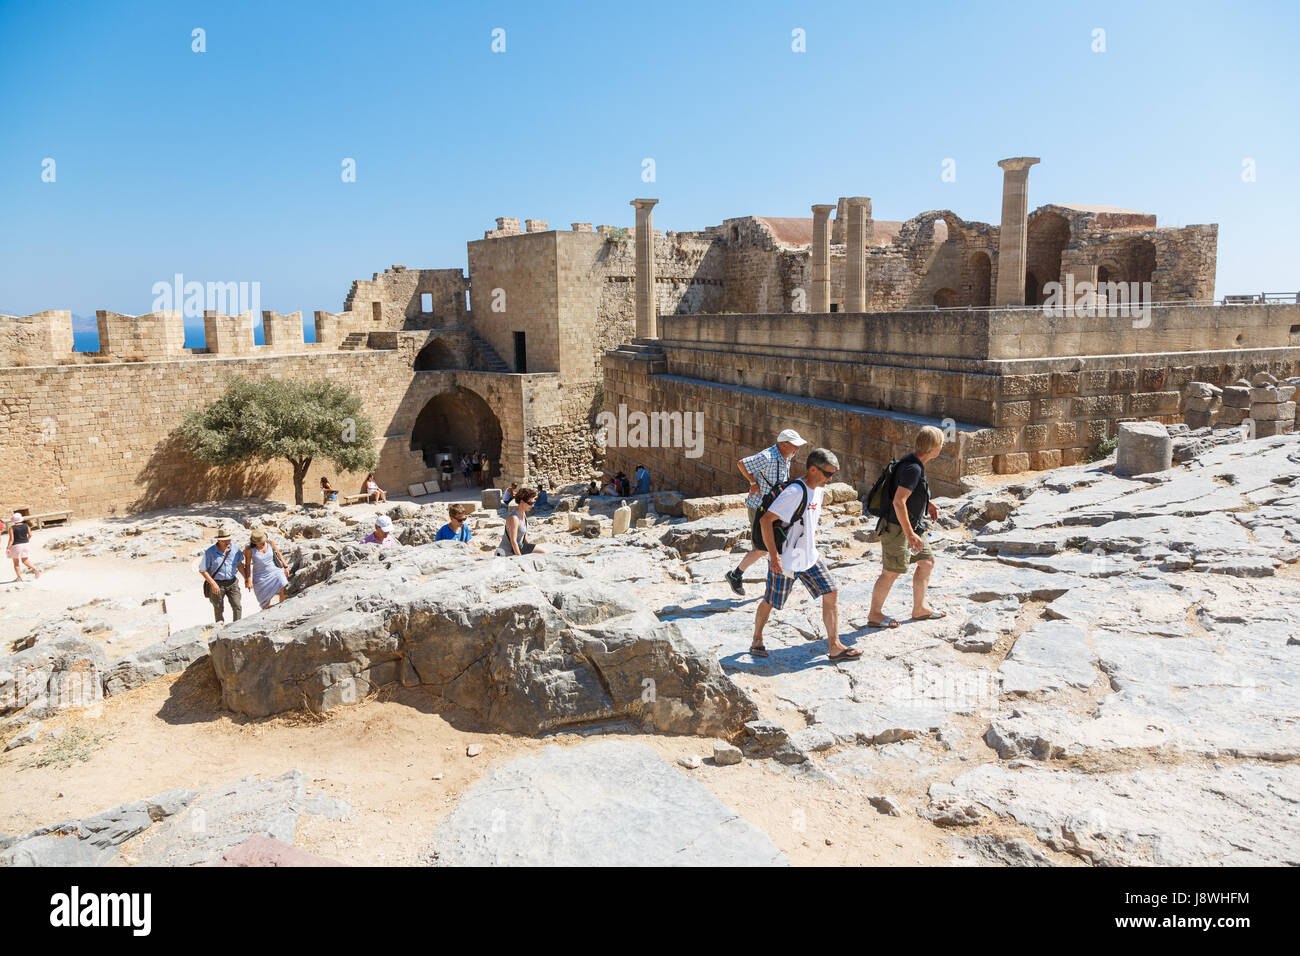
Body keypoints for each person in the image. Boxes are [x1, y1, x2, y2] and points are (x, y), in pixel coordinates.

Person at [751, 448, 861, 662]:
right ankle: (756, 639)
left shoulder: (818, 489)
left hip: (809, 556)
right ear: (812, 469)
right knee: (771, 600)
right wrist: (774, 557)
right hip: (787, 561)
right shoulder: (794, 492)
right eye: (827, 474)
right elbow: (765, 520)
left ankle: (835, 646)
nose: (830, 479)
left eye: (833, 475)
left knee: (831, 592)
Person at [869, 425, 946, 628]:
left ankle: (919, 608)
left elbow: (909, 492)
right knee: (890, 572)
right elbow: (898, 501)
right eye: (941, 444)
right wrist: (910, 534)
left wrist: (927, 503)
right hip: (897, 529)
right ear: (933, 447)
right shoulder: (913, 468)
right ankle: (875, 614)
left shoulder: (913, 462)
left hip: (909, 527)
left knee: (927, 562)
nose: (942, 447)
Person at [725, 428, 807, 596]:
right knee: (763, 548)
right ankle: (735, 575)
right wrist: (752, 483)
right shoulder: (766, 457)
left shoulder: (787, 457)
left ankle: (782, 578)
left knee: (781, 542)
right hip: (759, 507)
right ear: (784, 444)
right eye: (794, 445)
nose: (797, 449)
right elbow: (742, 463)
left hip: (777, 507)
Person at [200, 525, 244, 623]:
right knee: (218, 609)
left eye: (229, 540)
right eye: (226, 541)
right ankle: (220, 629)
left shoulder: (235, 549)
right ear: (219, 541)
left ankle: (237, 627)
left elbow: (240, 565)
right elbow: (203, 570)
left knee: (237, 606)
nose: (229, 542)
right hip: (217, 584)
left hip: (232, 582)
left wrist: (247, 579)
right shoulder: (210, 552)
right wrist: (213, 584)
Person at [243, 527, 289, 610]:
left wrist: (285, 567)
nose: (263, 542)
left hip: (275, 572)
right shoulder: (249, 550)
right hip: (260, 577)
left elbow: (278, 554)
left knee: (284, 586)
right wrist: (248, 580)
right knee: (265, 603)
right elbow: (247, 565)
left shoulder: (270, 543)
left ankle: (282, 609)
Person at [496, 487, 548, 556]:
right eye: (530, 503)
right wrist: (521, 558)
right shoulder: (514, 518)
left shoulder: (523, 513)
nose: (532, 505)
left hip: (521, 546)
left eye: (534, 502)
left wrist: (529, 550)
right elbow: (513, 541)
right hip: (507, 552)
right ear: (522, 502)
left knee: (545, 553)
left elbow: (524, 536)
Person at [6, 512, 41, 582]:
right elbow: (30, 535)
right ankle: (35, 569)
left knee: (16, 563)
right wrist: (26, 540)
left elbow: (11, 539)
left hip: (16, 545)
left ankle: (19, 578)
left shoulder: (12, 528)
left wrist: (8, 547)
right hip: (25, 544)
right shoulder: (26, 525)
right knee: (25, 560)